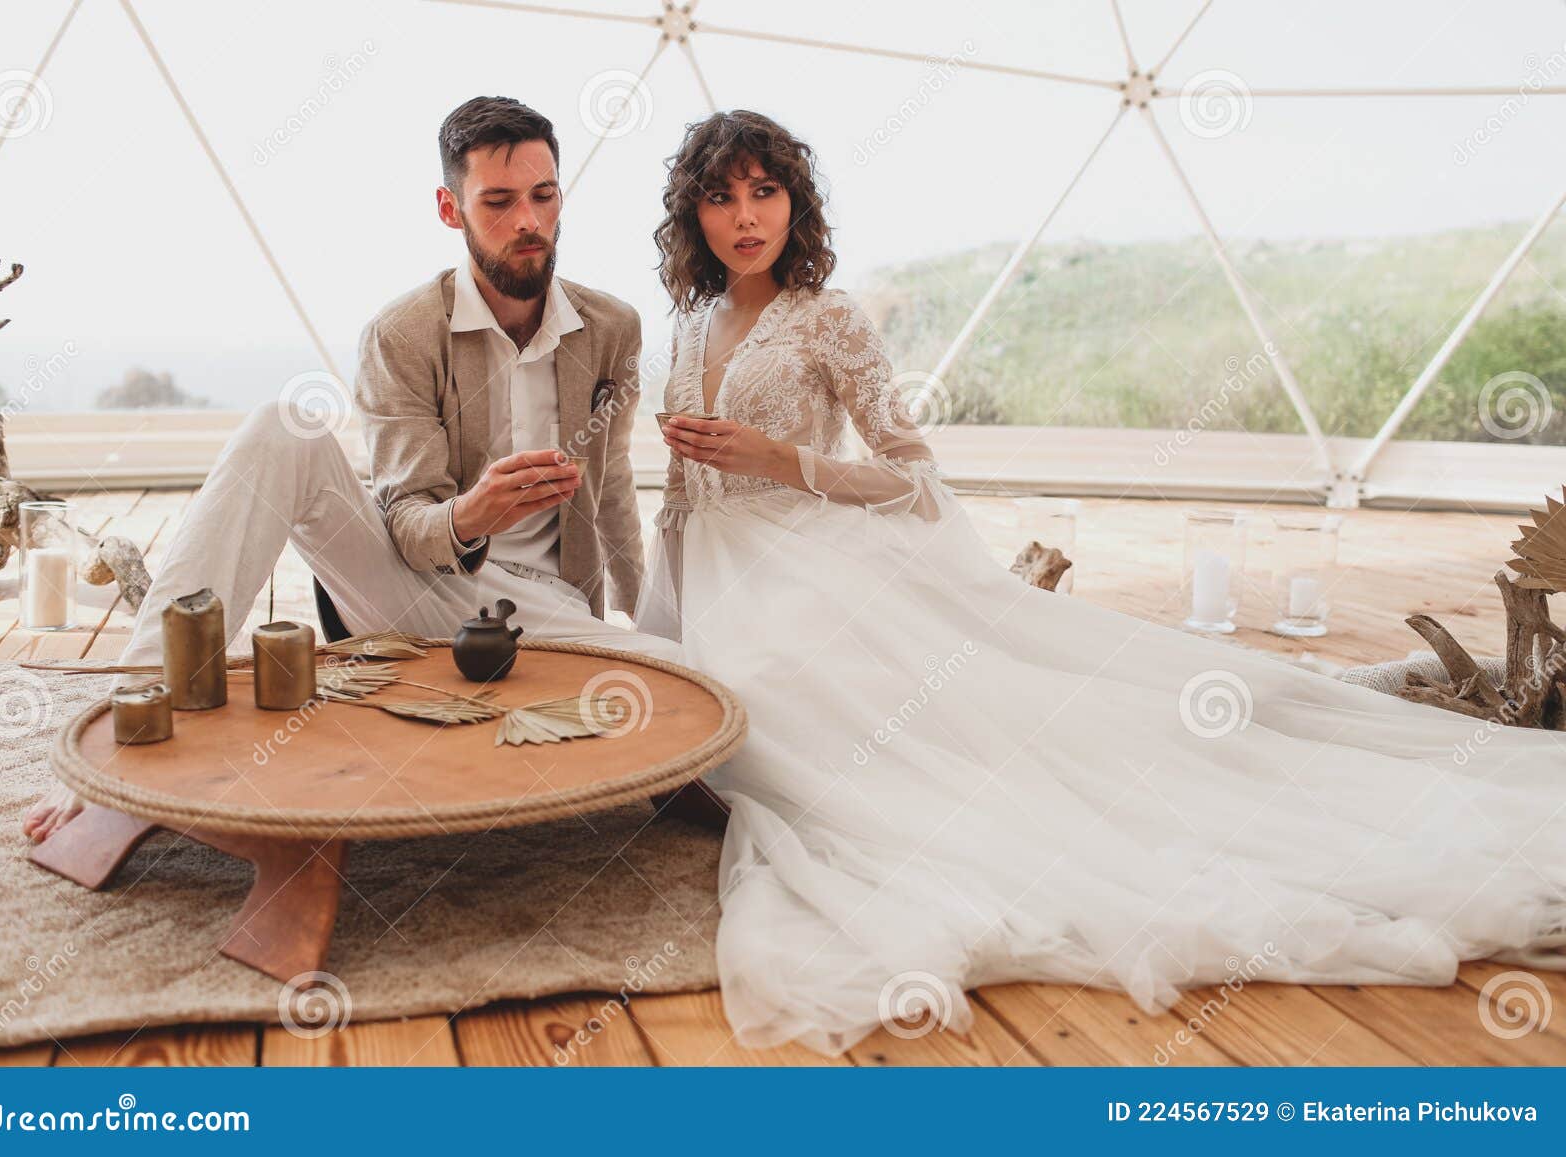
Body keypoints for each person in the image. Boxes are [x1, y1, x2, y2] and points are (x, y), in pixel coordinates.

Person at [636, 109, 1566, 1056]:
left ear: (796, 200)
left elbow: (916, 480)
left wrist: (782, 459)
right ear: (692, 215)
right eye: (721, 196)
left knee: (861, 758)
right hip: (709, 577)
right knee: (714, 741)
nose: (747, 215)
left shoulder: (826, 318)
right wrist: (658, 617)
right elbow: (681, 492)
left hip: (815, 568)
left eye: (766, 190)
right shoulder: (686, 321)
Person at [22, 96, 680, 843]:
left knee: (701, 682)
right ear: (448, 207)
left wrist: (640, 623)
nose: (528, 220)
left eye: (544, 195)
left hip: (553, 617)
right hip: (429, 589)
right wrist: (474, 514)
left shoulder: (612, 326)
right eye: (498, 201)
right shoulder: (402, 334)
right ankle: (133, 716)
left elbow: (614, 487)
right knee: (282, 426)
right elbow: (403, 519)